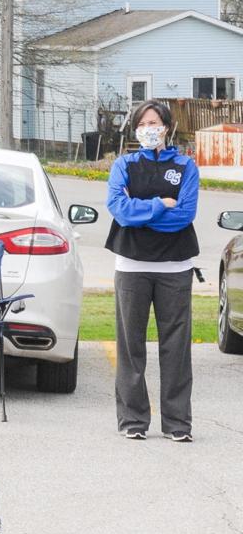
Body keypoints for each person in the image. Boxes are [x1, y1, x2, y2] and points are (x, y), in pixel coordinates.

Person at [105, 99, 199, 442]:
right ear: (135, 128)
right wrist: (160, 204)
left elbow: (185, 214)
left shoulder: (186, 166)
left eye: (155, 122)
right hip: (131, 266)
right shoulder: (124, 165)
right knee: (131, 346)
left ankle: (177, 424)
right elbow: (121, 211)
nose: (149, 128)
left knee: (176, 347)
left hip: (175, 267)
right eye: (143, 123)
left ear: (167, 126)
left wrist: (142, 213)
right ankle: (133, 421)